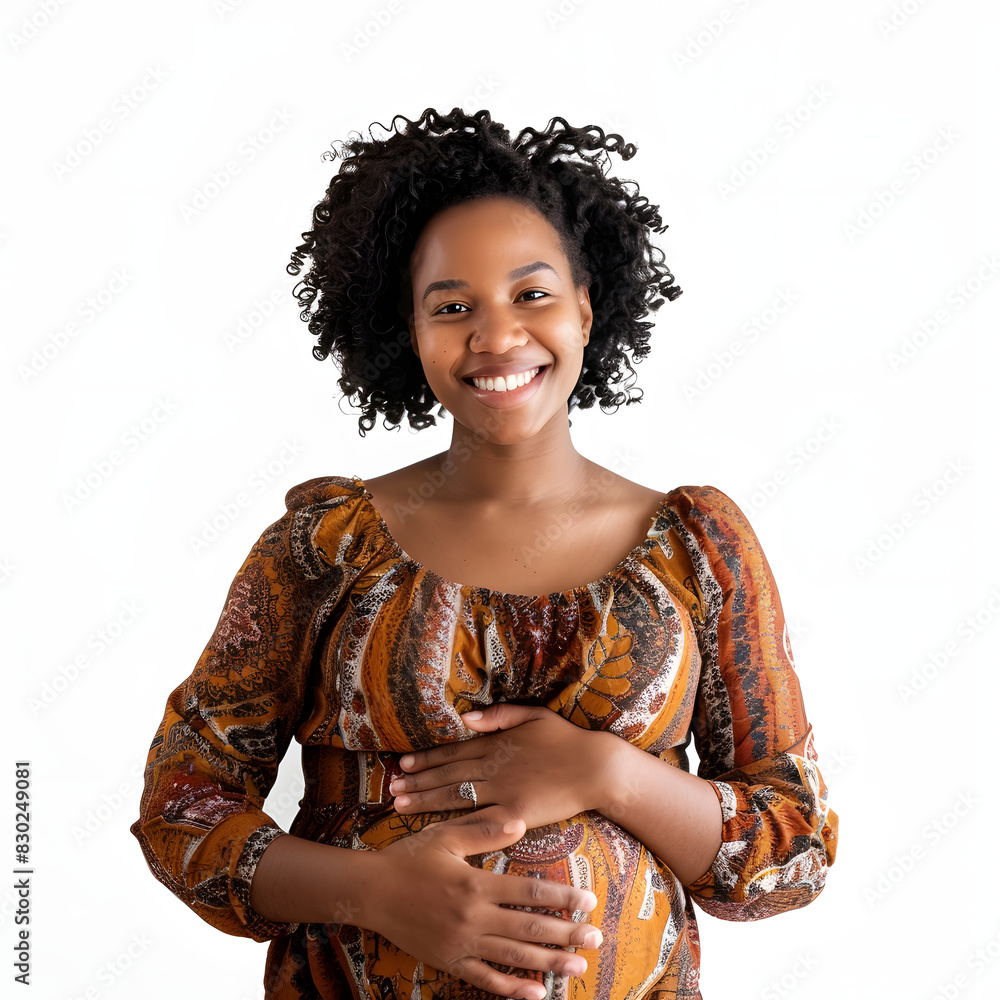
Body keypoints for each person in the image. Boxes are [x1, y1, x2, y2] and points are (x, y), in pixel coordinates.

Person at [131, 107, 839, 1000]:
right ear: (408, 330)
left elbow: (795, 846)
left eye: (532, 294)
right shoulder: (321, 551)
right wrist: (377, 893)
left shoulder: (698, 549)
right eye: (453, 306)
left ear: (587, 306)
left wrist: (605, 772)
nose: (497, 335)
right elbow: (181, 812)